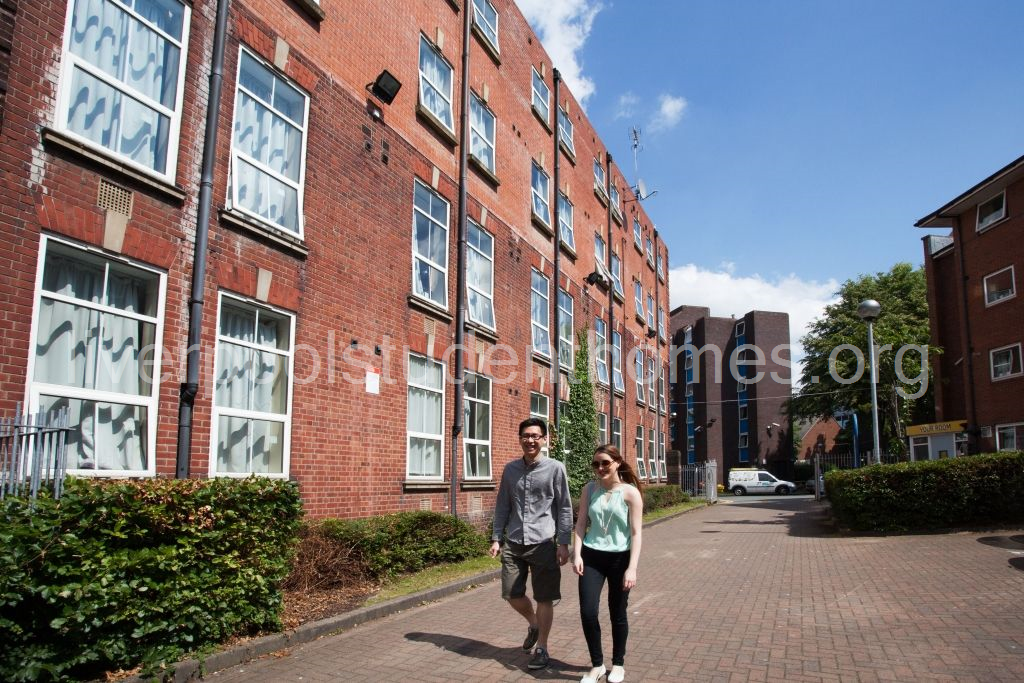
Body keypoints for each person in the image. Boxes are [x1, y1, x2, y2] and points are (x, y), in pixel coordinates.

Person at [490, 417, 573, 670]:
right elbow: (502, 505)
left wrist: (563, 543)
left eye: (535, 436)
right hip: (514, 541)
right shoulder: (510, 470)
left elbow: (564, 507)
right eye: (526, 436)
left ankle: (542, 648)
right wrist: (496, 538)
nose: (530, 440)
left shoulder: (555, 468)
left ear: (544, 439)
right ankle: (535, 624)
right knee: (511, 593)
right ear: (520, 439)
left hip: (543, 542)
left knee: (544, 597)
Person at [572, 444, 644, 683]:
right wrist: (577, 554)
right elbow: (580, 524)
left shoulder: (630, 493)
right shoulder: (590, 489)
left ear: (617, 463)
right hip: (592, 556)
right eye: (596, 464)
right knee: (588, 612)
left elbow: (636, 533)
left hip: (619, 559)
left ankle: (618, 664)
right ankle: (597, 665)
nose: (600, 468)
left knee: (617, 612)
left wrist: (632, 568)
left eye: (605, 463)